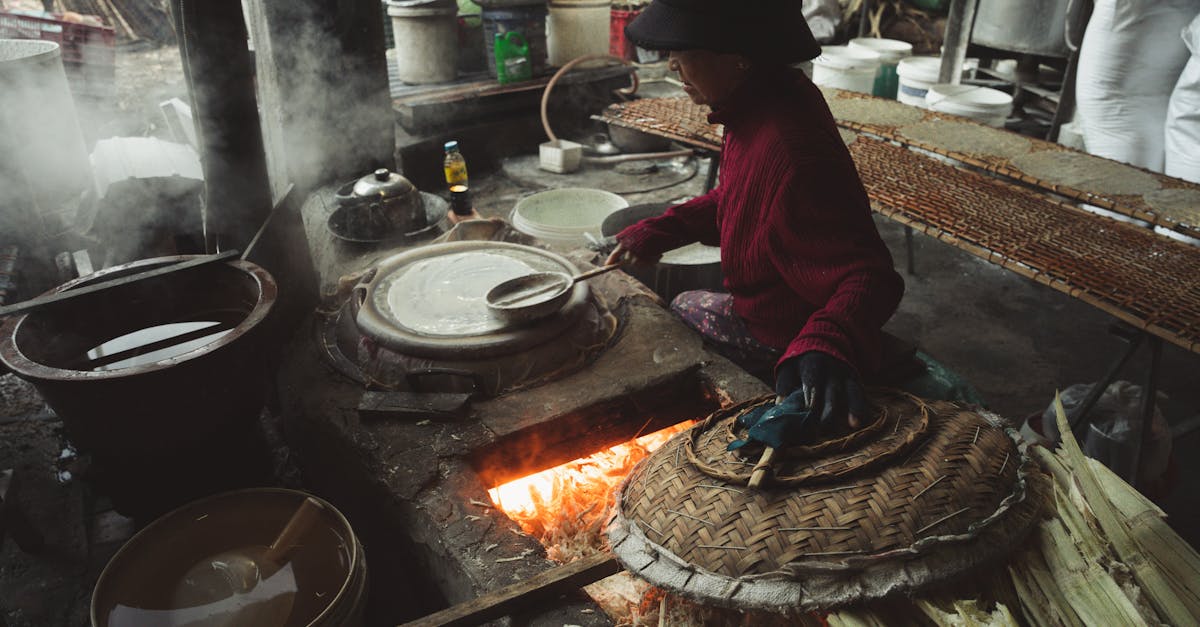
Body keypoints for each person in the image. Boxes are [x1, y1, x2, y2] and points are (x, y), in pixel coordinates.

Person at [606, 0, 904, 444]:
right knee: (684, 300)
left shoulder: (790, 148)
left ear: (739, 57)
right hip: (773, 305)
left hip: (786, 333)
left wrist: (825, 341)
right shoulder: (763, 102)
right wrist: (662, 229)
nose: (671, 64)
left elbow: (870, 276)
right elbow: (744, 196)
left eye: (683, 50)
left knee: (683, 307)